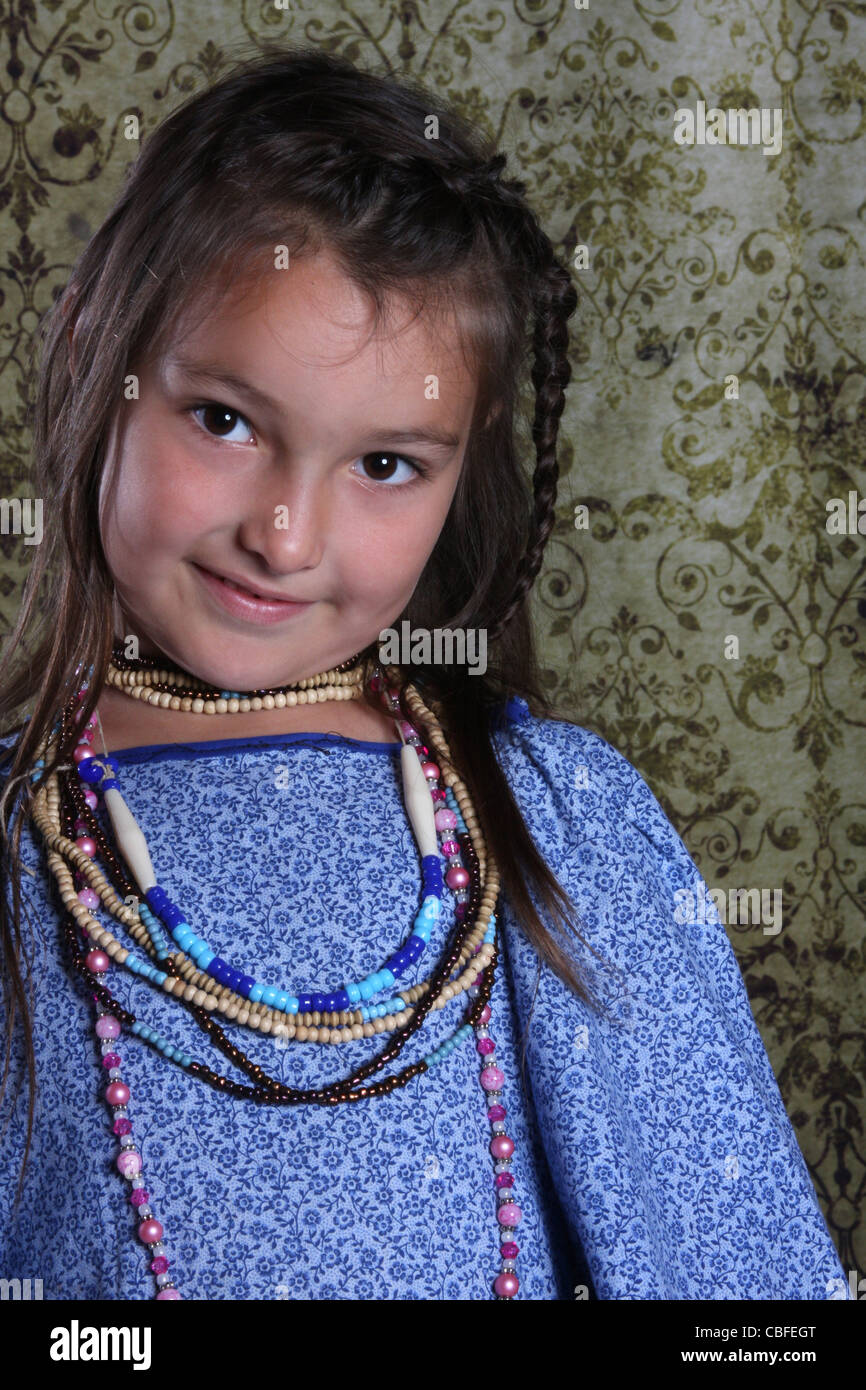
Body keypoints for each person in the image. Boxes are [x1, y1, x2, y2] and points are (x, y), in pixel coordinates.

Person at [0, 44, 849, 1302]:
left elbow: (747, 1302)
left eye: (386, 464)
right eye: (224, 420)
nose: (285, 534)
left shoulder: (554, 824)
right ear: (92, 351)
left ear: (460, 475)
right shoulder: (30, 850)